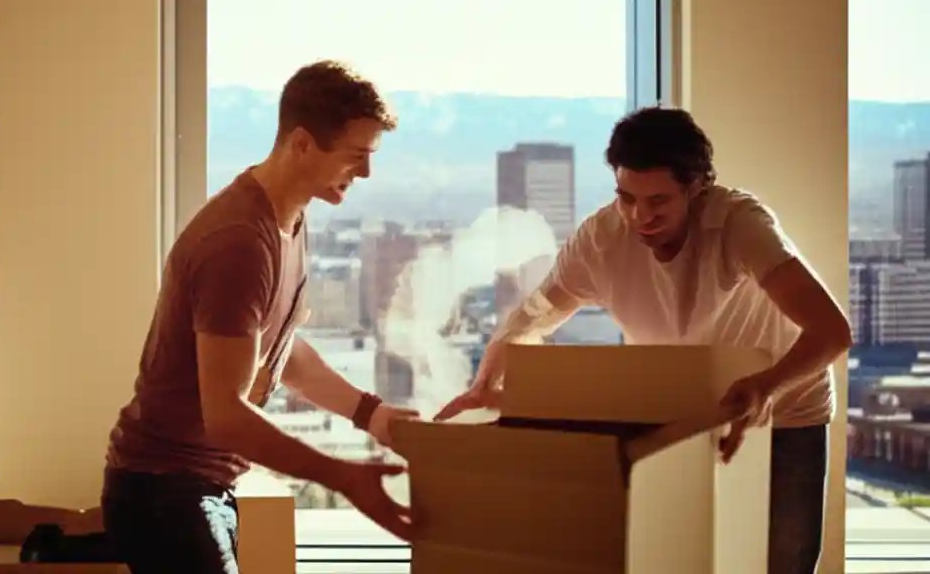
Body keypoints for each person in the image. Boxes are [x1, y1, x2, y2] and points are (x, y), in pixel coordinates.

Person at [437, 107, 852, 574]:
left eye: (659, 201)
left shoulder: (740, 224)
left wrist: (765, 386)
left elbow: (832, 331)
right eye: (627, 197)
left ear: (696, 188)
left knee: (781, 563)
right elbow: (536, 315)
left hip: (785, 410)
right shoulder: (601, 239)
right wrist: (495, 365)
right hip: (679, 409)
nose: (641, 216)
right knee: (672, 559)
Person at [102, 61, 416, 574]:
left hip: (200, 486)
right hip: (164, 492)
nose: (365, 173)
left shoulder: (288, 218)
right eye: (356, 156)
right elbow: (226, 415)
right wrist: (342, 477)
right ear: (302, 144)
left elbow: (278, 352)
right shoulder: (240, 243)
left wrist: (371, 415)